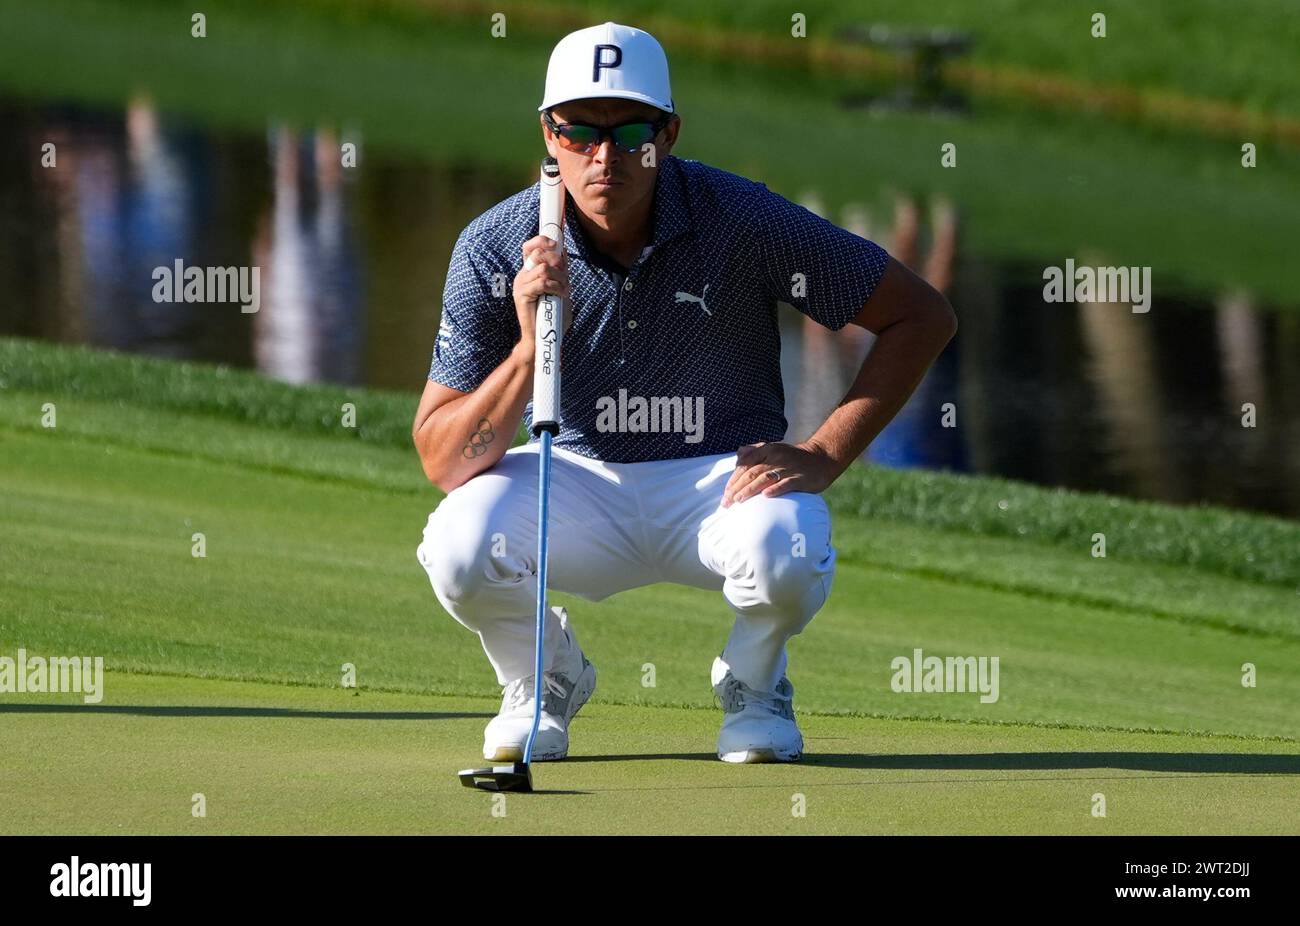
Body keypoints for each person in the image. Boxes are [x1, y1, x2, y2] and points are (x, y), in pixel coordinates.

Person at [413, 22, 956, 763]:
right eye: (578, 131)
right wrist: (529, 346)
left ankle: (755, 685)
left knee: (788, 545)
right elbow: (444, 460)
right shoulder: (496, 243)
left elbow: (920, 314)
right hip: (573, 480)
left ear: (667, 134)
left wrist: (825, 452)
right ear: (549, 132)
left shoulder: (740, 218)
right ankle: (542, 679)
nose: (604, 156)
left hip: (717, 481)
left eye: (631, 130)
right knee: (458, 544)